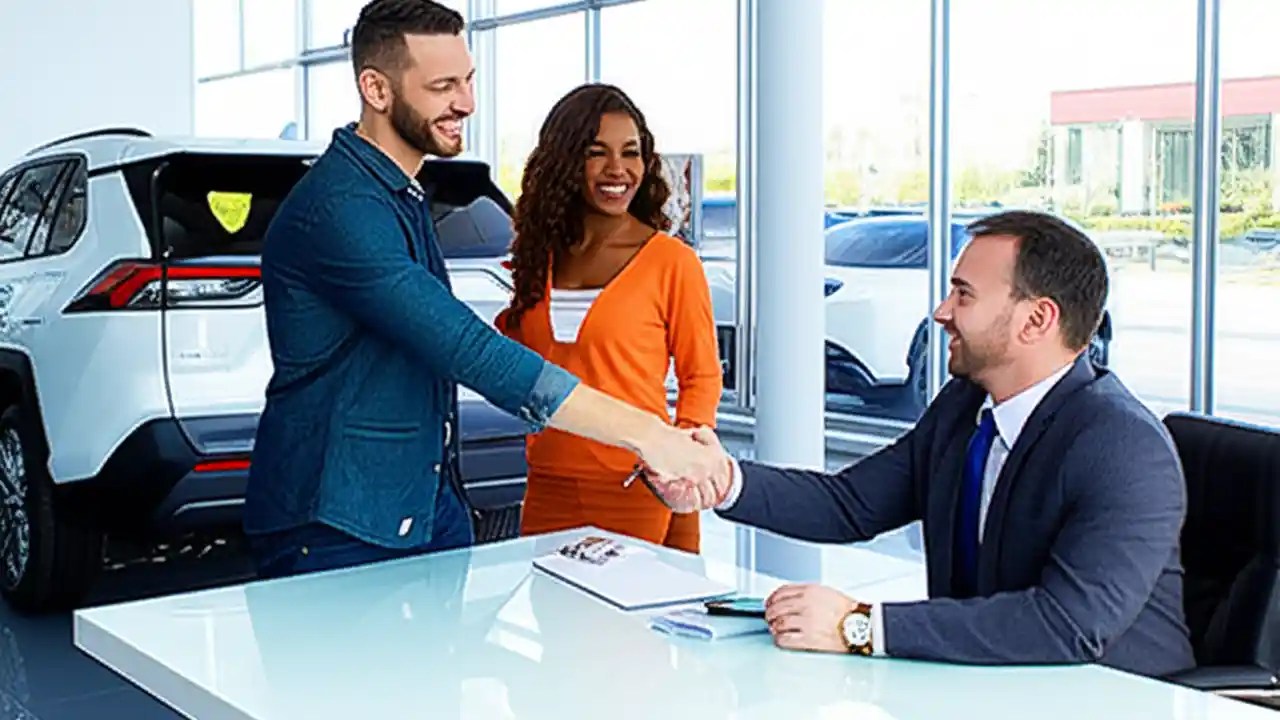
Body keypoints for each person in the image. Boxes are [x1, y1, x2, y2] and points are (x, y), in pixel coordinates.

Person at [243, 0, 722, 580]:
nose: (467, 102)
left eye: (467, 80)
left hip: (423, 507)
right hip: (341, 521)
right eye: (443, 86)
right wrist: (649, 434)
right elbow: (467, 348)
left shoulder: (401, 194)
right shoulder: (342, 208)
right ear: (376, 89)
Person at [647, 210, 1196, 678]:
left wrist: (861, 626)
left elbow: (1067, 624)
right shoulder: (964, 407)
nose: (941, 312)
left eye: (964, 294)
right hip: (983, 685)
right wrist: (722, 481)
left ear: (1037, 319)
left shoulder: (1123, 447)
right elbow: (850, 504)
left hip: (1112, 696)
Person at [495, 84, 722, 553]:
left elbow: (701, 376)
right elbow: (519, 359)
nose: (618, 169)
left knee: (630, 601)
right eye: (596, 153)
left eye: (631, 152)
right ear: (564, 162)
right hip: (548, 478)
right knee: (551, 601)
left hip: (635, 483)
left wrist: (679, 459)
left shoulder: (671, 262)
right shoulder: (539, 258)